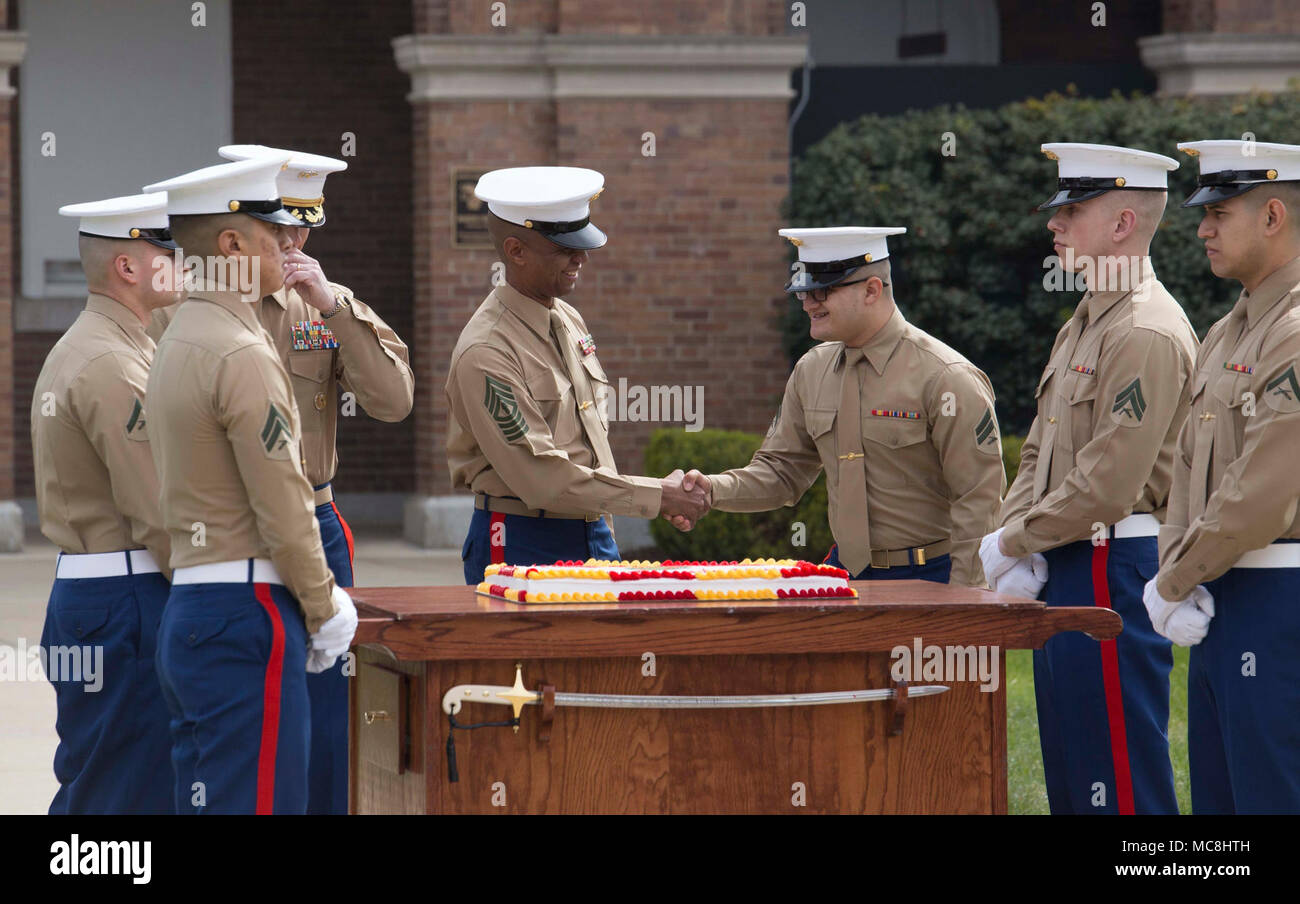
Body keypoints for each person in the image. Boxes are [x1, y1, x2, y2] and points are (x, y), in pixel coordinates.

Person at [151, 143, 414, 816]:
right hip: (230, 542)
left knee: (323, 723)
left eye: (302, 229)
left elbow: (392, 399)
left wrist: (331, 307)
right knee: (246, 736)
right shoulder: (196, 314)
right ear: (242, 236)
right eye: (280, 228)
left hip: (312, 524)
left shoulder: (320, 312)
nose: (291, 243)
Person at [980, 143, 1198, 815]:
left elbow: (1107, 483)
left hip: (1113, 561)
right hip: (1071, 557)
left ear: (1123, 225)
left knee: (1119, 771)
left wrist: (1014, 543)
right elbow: (1039, 452)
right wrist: (1017, 537)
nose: (1054, 224)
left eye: (1072, 210)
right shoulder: (1084, 324)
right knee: (1076, 765)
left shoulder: (1145, 331)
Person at [679, 226, 1005, 586]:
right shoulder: (811, 370)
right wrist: (712, 489)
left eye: (820, 291)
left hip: (932, 576)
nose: (807, 303)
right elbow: (782, 473)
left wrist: (965, 602)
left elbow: (978, 502)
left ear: (871, 290)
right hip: (844, 576)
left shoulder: (946, 377)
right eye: (802, 292)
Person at [446, 166, 707, 583]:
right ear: (516, 251)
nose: (581, 258)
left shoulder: (566, 317)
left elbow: (590, 445)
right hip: (523, 540)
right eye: (564, 248)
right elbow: (541, 477)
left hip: (593, 532)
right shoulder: (487, 351)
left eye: (582, 245)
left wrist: (615, 516)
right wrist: (657, 497)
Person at [1152, 139, 1300, 814]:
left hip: (1278, 599)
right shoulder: (1226, 330)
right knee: (1220, 801)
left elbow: (1264, 489)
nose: (1203, 228)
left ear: (1274, 216)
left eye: (1220, 211)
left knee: (1270, 793)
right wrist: (1176, 567)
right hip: (1221, 596)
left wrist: (1177, 579)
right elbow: (1187, 462)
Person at [32, 192, 182, 813]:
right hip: (124, 601)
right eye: (167, 251)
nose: (183, 262)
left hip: (109, 597)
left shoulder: (117, 346)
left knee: (119, 778)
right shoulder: (112, 364)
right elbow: (161, 514)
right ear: (128, 267)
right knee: (119, 788)